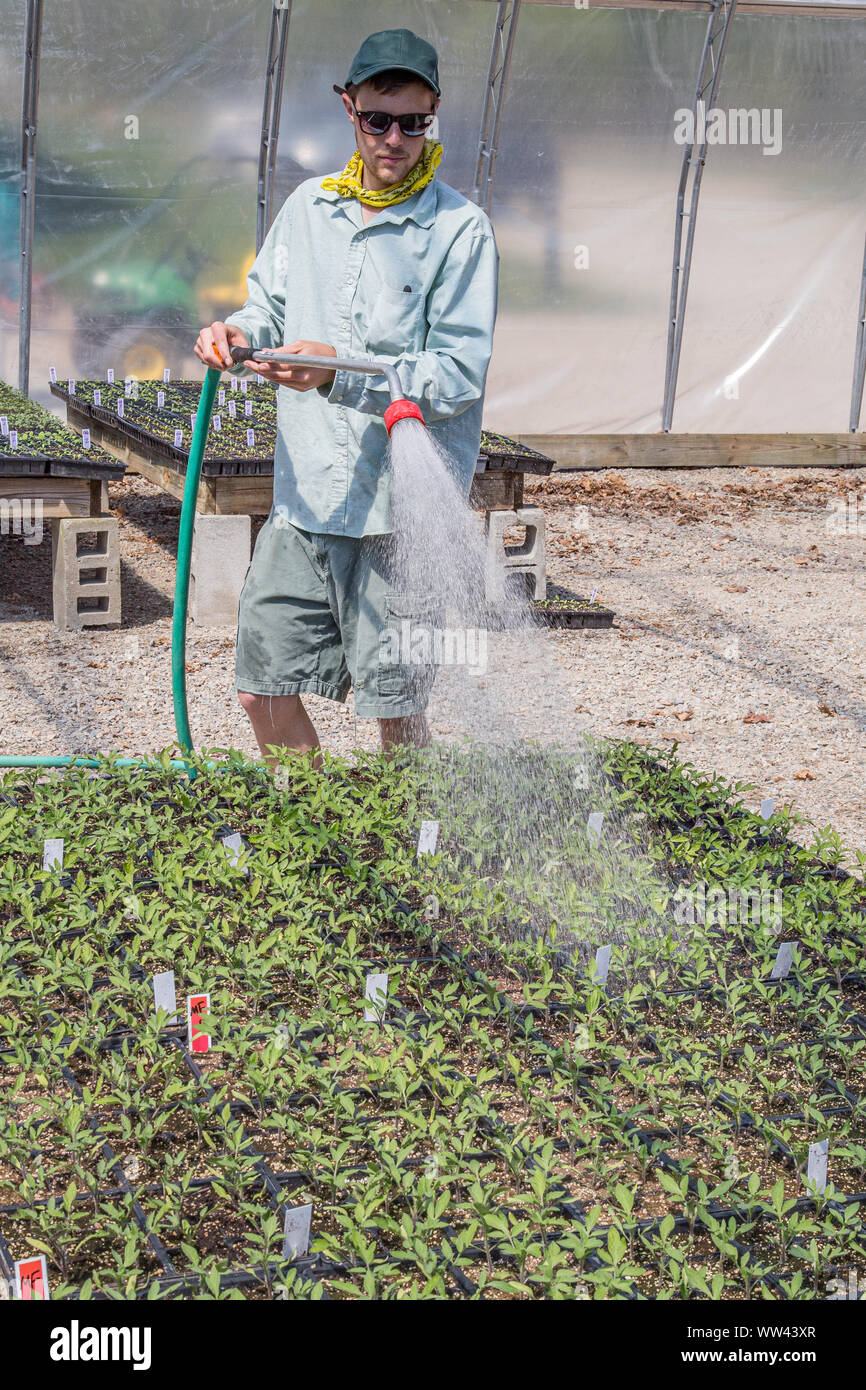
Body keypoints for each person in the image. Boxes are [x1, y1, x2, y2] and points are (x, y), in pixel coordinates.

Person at [194, 27, 499, 765]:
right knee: (260, 688)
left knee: (394, 712)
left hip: (396, 511)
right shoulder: (308, 208)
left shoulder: (460, 231)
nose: (394, 138)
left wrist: (339, 372)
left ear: (434, 115)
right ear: (348, 109)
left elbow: (457, 375)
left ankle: (405, 851)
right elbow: (267, 305)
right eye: (377, 119)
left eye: (413, 122)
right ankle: (321, 841)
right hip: (306, 497)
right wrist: (234, 333)